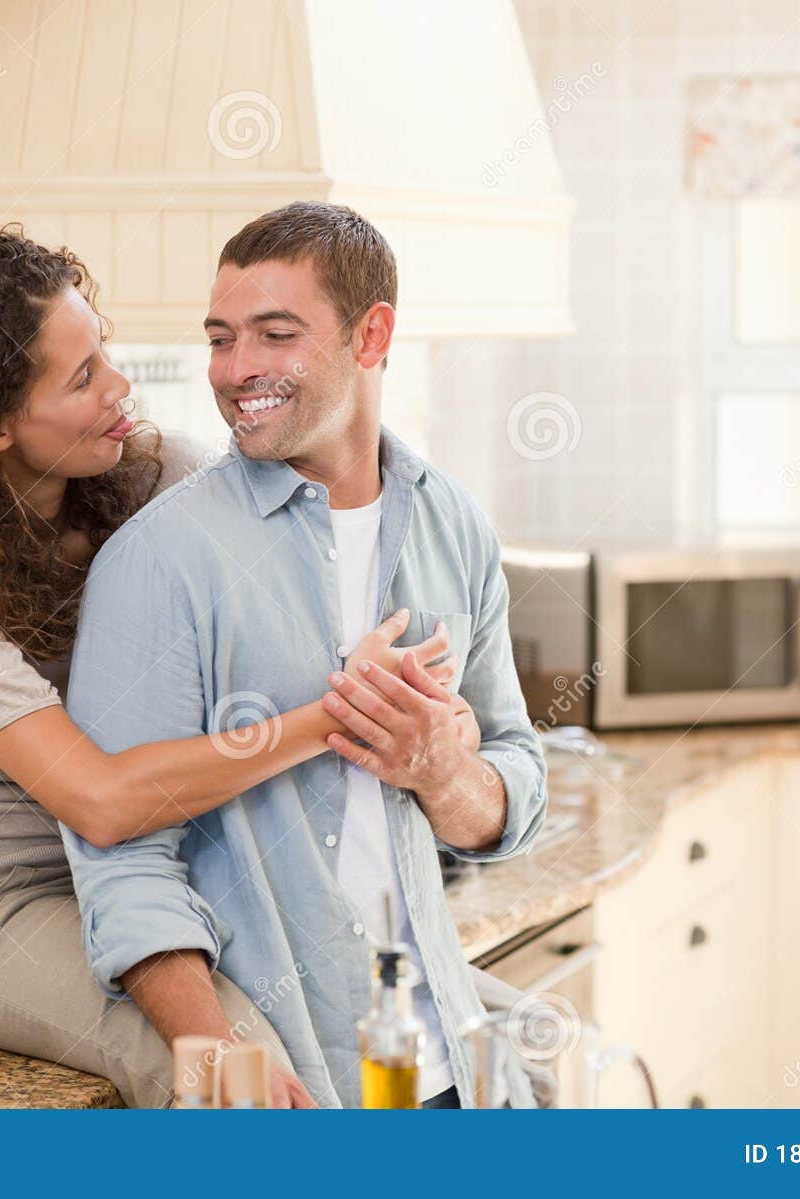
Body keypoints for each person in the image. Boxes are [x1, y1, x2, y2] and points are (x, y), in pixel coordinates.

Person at [0, 226, 471, 1108]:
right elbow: (98, 800)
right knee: (242, 1071)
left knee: (462, 1028)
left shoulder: (155, 475)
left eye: (103, 354)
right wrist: (339, 715)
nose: (120, 387)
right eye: (81, 380)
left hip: (170, 871)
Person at [61, 202, 548, 1108]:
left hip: (444, 1065)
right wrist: (210, 1043)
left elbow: (514, 780)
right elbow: (121, 850)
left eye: (275, 335)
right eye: (221, 338)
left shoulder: (455, 526)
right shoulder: (162, 559)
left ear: (373, 335)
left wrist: (445, 774)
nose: (237, 370)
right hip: (291, 1077)